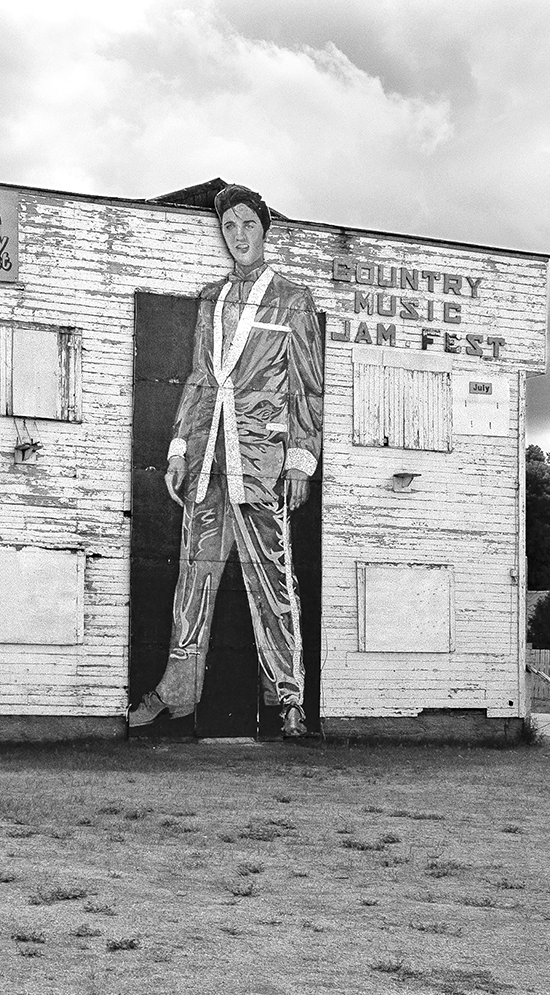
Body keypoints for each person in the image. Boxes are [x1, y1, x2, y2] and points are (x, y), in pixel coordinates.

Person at [129, 184, 323, 737]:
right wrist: (178, 450)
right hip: (209, 457)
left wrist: (300, 461)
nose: (237, 236)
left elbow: (307, 389)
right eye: (229, 227)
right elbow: (197, 376)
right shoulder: (211, 296)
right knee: (193, 577)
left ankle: (288, 698)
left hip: (261, 461)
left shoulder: (293, 299)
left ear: (264, 230)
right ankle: (177, 692)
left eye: (247, 225)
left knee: (272, 581)